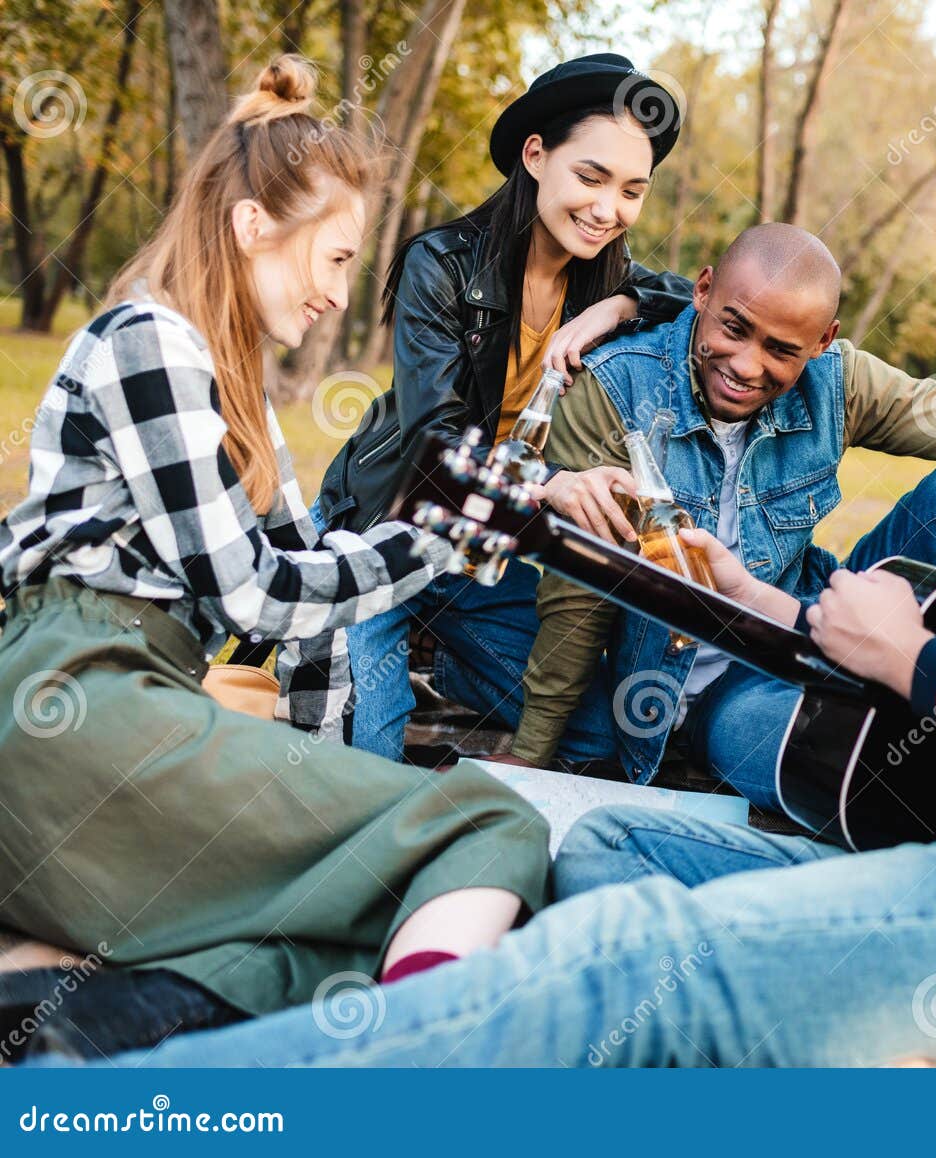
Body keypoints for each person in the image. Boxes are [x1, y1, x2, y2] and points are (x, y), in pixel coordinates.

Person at [77, 170, 936, 1069]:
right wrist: (768, 605)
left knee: (632, 951)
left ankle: (136, 1094)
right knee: (604, 850)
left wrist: (916, 658)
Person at [0, 58, 549, 1061]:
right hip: (72, 703)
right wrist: (434, 538)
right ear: (253, 226)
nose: (341, 295)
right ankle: (413, 1067)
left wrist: (320, 776)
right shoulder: (148, 342)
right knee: (487, 824)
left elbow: (311, 603)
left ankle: (54, 1019)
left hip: (127, 705)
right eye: (335, 259)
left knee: (336, 920)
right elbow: (257, 593)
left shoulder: (232, 392)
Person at [495, 221, 936, 804]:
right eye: (734, 329)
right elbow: (579, 590)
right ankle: (931, 718)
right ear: (703, 290)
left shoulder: (838, 382)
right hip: (710, 688)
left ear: (821, 341)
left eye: (781, 350)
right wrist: (531, 753)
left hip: (808, 619)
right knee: (833, 761)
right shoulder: (616, 387)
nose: (745, 365)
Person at [314, 53, 695, 761]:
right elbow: (437, 444)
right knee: (370, 752)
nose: (608, 210)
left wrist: (619, 305)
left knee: (594, 734)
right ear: (536, 155)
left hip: (481, 552)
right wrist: (549, 485)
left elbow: (703, 302)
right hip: (388, 529)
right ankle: (411, 649)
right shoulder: (443, 263)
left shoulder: (604, 281)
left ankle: (450, 656)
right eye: (591, 177)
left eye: (632, 191)